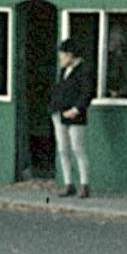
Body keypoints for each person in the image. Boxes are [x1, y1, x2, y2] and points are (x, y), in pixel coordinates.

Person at [49, 38, 94, 198]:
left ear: (70, 55)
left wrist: (76, 109)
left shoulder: (84, 70)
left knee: (77, 148)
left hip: (75, 114)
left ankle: (84, 184)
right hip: (59, 111)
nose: (61, 58)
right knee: (63, 149)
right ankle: (69, 183)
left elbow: (87, 92)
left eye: (63, 55)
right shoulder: (64, 71)